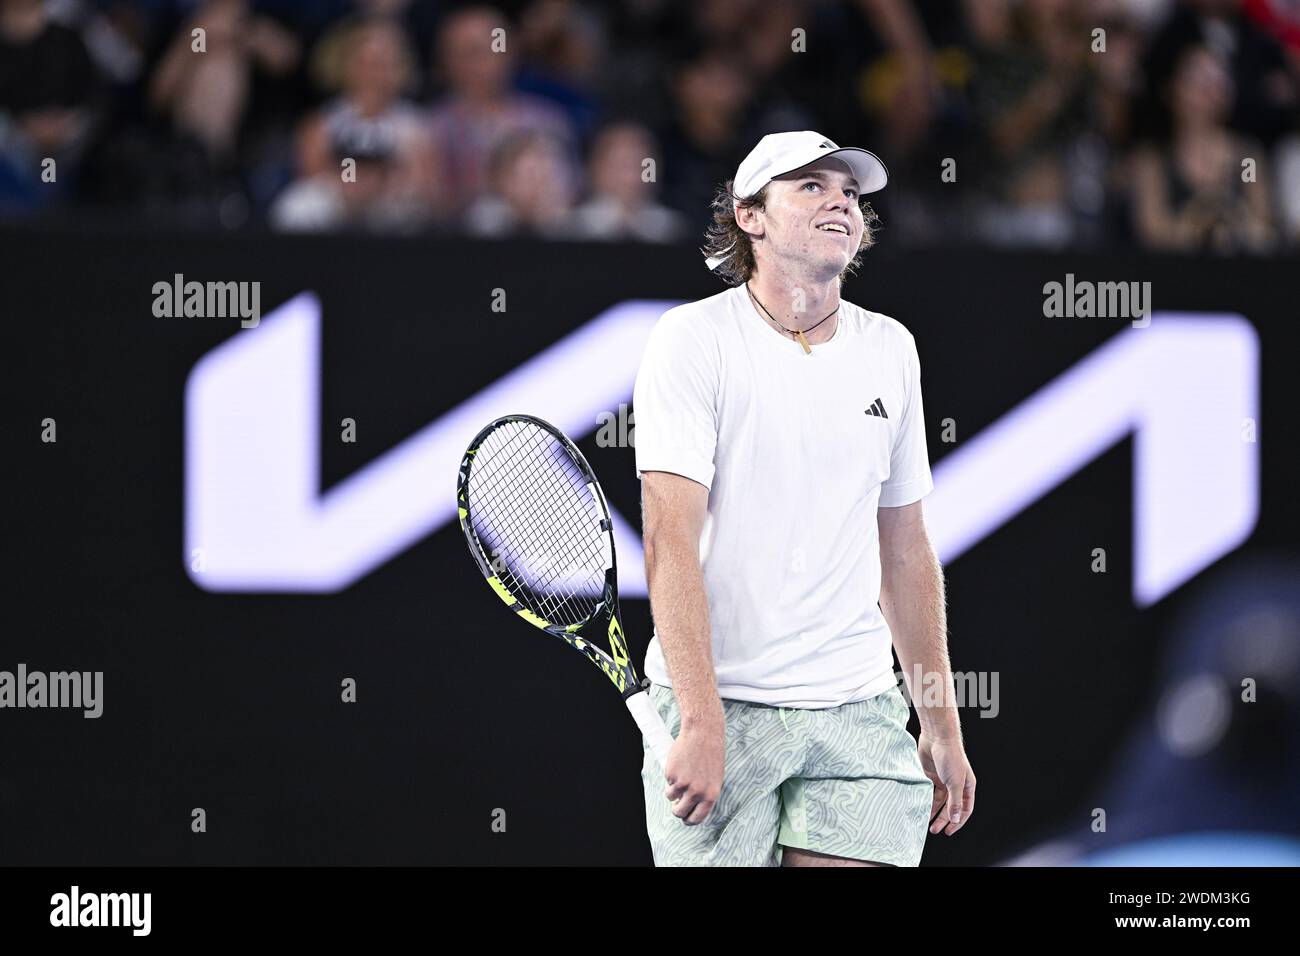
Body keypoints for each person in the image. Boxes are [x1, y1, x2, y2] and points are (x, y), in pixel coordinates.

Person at [632, 130, 975, 866]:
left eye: (849, 193)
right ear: (750, 216)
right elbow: (668, 540)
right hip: (722, 704)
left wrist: (940, 723)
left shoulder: (891, 347)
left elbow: (904, 551)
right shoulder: (691, 339)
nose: (841, 203)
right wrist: (700, 720)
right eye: (811, 186)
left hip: (857, 707)